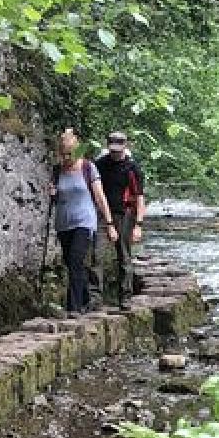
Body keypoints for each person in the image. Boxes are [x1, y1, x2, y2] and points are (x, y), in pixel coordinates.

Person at [49, 129, 118, 316]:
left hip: (84, 221)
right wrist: (53, 194)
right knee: (71, 264)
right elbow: (56, 198)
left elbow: (100, 197)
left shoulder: (88, 167)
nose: (66, 158)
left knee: (75, 260)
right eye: (63, 154)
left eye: (70, 154)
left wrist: (110, 224)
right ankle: (87, 298)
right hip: (64, 223)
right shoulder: (57, 171)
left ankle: (74, 307)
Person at [90, 131, 146, 308]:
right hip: (101, 215)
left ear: (125, 147)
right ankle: (95, 299)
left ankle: (125, 297)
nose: (115, 153)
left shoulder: (132, 168)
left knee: (124, 256)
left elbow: (139, 197)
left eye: (118, 150)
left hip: (124, 215)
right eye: (112, 149)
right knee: (96, 255)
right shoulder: (99, 165)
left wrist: (138, 224)